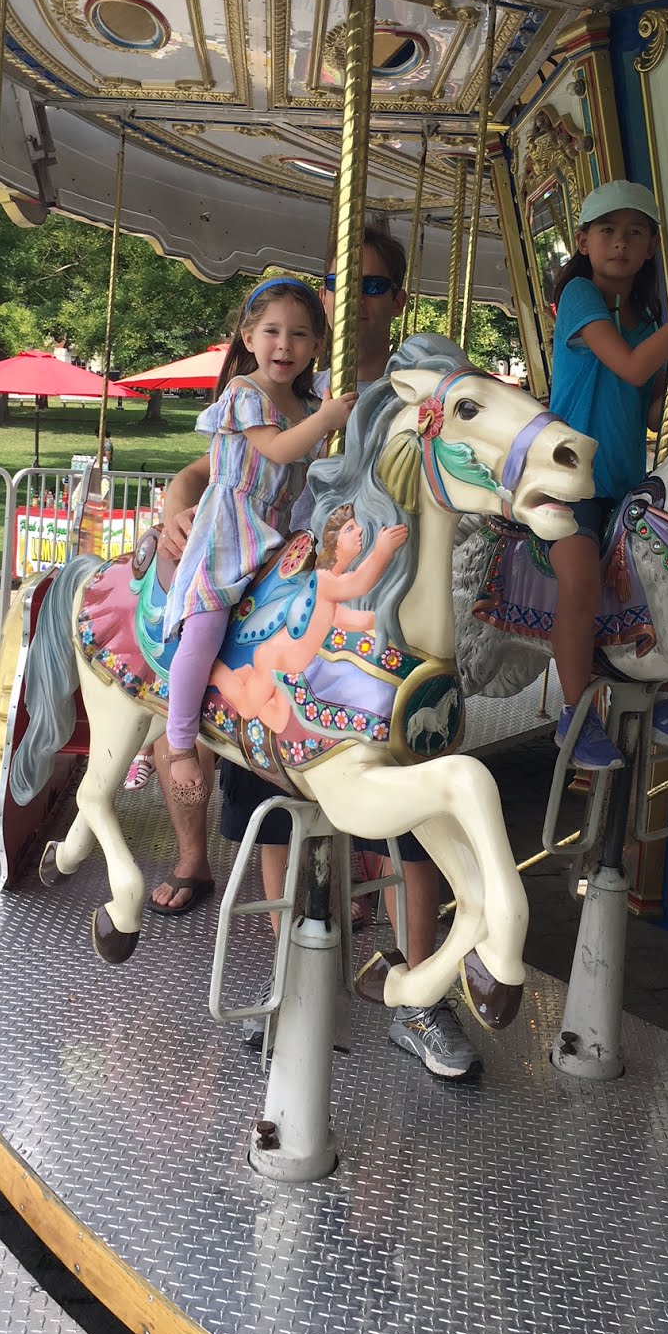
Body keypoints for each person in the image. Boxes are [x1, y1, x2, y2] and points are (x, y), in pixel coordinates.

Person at [152, 229, 483, 1080]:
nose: (352, 300)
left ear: (397, 299)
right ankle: (292, 970)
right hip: (283, 589)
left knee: (415, 790)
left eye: (372, 285)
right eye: (342, 283)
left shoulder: (401, 390)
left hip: (376, 612)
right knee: (264, 778)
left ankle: (420, 990)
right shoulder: (286, 392)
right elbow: (215, 465)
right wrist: (172, 505)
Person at [547, 179, 668, 769]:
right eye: (607, 231)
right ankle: (575, 715)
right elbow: (629, 366)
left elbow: (649, 403)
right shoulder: (579, 296)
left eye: (634, 233)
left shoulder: (648, 315)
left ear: (651, 247)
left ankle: (661, 697)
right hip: (564, 475)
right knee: (578, 577)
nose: (620, 244)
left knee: (659, 582)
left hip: (624, 479)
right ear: (583, 241)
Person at [160, 278, 356, 808]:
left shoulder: (306, 400)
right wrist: (326, 419)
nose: (284, 345)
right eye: (271, 331)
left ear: (317, 344)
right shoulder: (245, 393)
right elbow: (276, 451)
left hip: (279, 536)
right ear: (248, 338)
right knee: (206, 624)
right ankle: (179, 741)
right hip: (229, 531)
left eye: (298, 334)